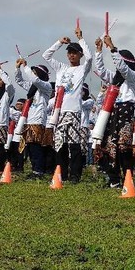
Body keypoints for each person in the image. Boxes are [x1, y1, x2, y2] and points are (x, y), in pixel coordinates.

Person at [42, 27, 92, 183]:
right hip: (59, 111)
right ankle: (61, 174)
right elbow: (46, 55)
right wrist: (59, 42)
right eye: (69, 52)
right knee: (59, 143)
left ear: (79, 55)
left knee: (74, 144)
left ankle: (75, 175)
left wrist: (81, 39)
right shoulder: (61, 68)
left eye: (75, 53)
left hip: (74, 111)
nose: (71, 55)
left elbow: (90, 58)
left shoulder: (82, 69)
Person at [93, 34, 135, 189]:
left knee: (123, 147)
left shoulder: (133, 77)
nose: (118, 65)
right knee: (109, 145)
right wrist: (99, 51)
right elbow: (100, 71)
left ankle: (127, 178)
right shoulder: (115, 78)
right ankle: (114, 179)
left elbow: (123, 68)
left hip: (126, 111)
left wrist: (112, 47)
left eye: (121, 60)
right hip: (112, 111)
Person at [15, 60, 52, 179]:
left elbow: (35, 80)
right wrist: (18, 68)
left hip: (38, 120)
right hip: (29, 120)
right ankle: (34, 169)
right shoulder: (33, 88)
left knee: (36, 147)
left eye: (35, 72)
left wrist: (26, 67)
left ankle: (39, 171)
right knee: (30, 147)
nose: (33, 74)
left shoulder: (46, 86)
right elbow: (19, 81)